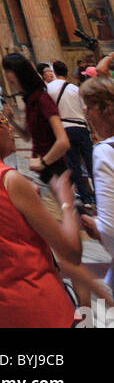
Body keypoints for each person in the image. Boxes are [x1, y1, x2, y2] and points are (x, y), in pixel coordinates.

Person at [0, 92, 87, 328]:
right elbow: (71, 251)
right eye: (3, 121)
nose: (10, 128)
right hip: (39, 307)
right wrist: (66, 201)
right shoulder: (11, 180)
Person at [2, 52, 69, 188]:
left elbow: (63, 142)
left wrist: (43, 162)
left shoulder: (42, 99)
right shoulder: (30, 100)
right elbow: (27, 136)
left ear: (21, 76)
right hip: (42, 172)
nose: (12, 86)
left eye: (12, 82)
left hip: (55, 170)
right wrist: (11, 119)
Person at [79, 76, 114, 288]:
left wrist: (95, 225)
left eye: (89, 107)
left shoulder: (105, 153)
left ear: (104, 109)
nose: (86, 113)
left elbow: (110, 229)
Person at [46, 60, 95, 211]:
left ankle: (85, 197)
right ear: (67, 73)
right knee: (91, 163)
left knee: (74, 165)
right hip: (81, 128)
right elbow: (85, 111)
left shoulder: (48, 88)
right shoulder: (75, 88)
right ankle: (99, 195)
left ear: (54, 72)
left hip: (64, 129)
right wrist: (92, 130)